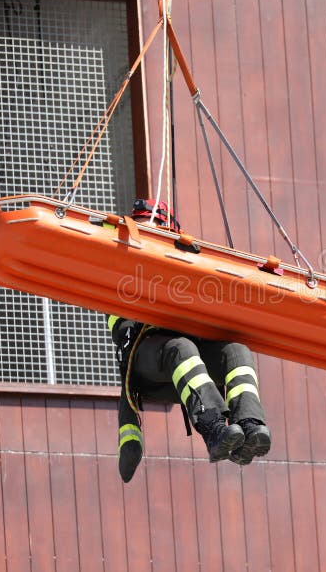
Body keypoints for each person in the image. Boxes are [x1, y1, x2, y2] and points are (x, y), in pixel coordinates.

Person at [109, 199, 271, 482]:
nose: (150, 235)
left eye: (157, 228)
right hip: (148, 362)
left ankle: (249, 427)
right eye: (145, 228)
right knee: (180, 348)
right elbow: (120, 326)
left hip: (189, 364)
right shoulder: (122, 266)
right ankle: (213, 427)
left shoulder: (188, 267)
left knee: (236, 351)